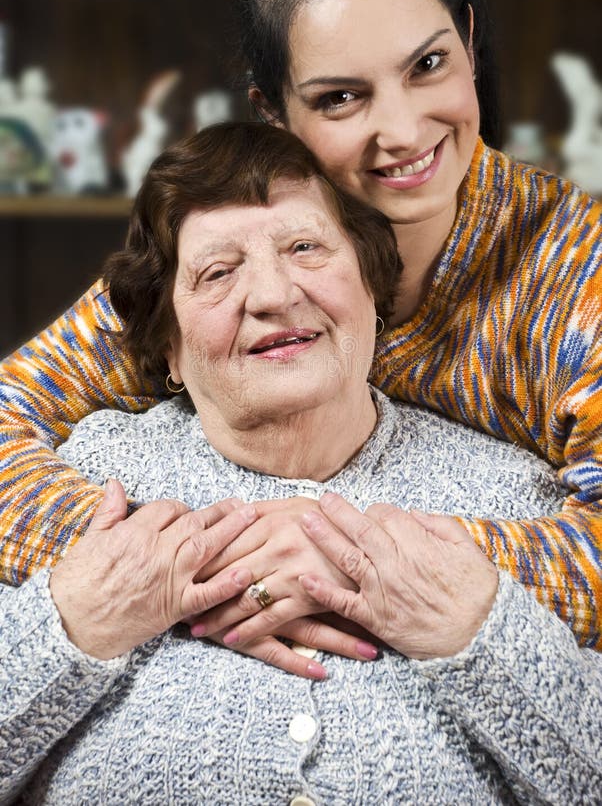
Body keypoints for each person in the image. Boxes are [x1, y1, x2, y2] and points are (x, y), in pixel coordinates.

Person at [0, 0, 600, 650]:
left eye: (428, 65)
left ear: (470, 42)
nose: (406, 131)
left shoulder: (581, 279)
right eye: (340, 97)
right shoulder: (220, 277)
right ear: (273, 115)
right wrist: (190, 571)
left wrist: (350, 565)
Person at [1, 121, 600, 805]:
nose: (274, 295)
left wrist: (473, 625)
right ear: (166, 346)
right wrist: (80, 615)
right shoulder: (76, 480)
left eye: (306, 248)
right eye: (219, 273)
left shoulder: (520, 500)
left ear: (373, 287)